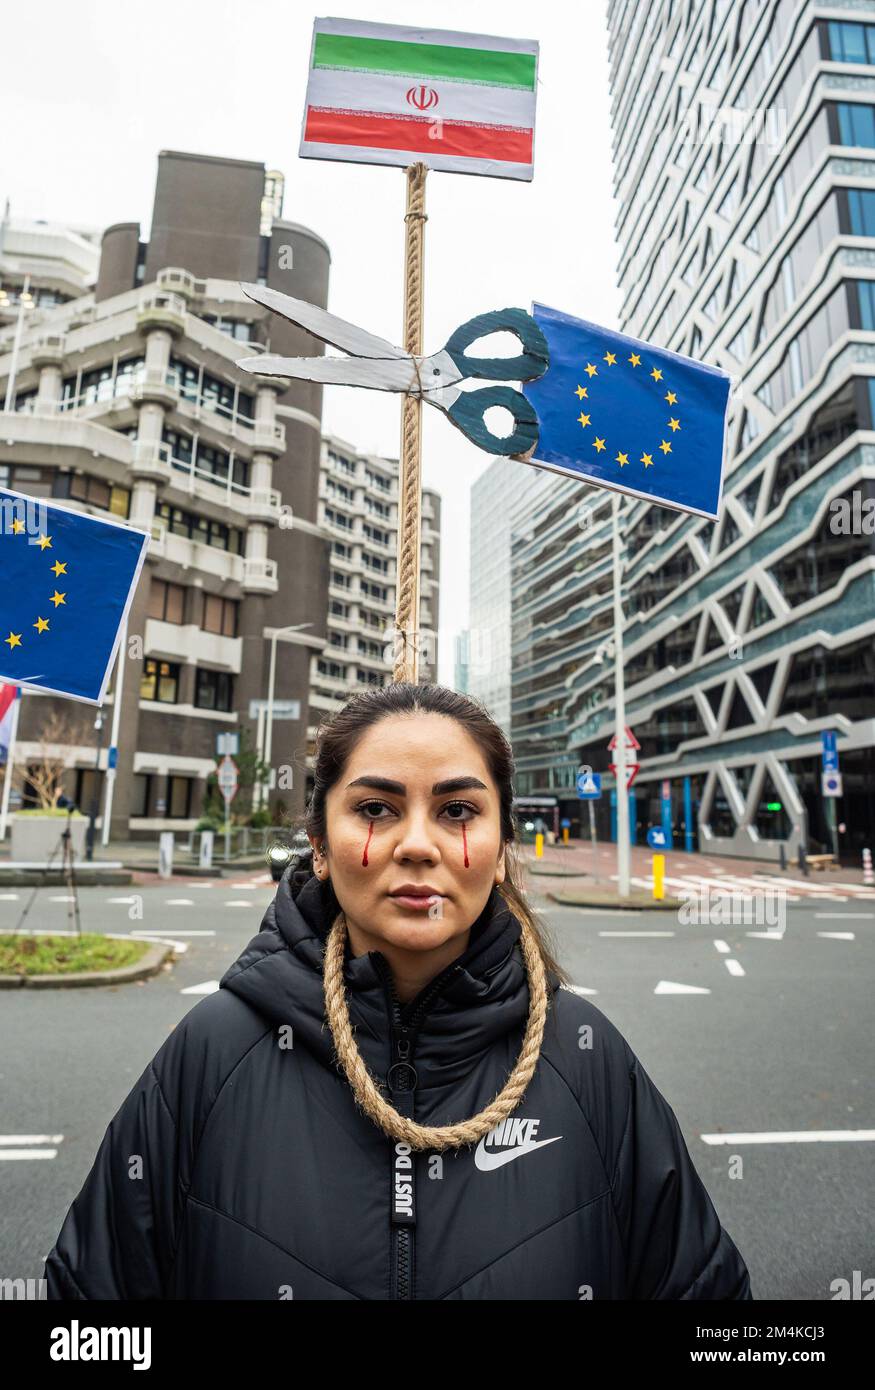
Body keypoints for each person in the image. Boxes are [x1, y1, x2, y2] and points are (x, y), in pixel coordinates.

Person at [44, 682, 752, 1300]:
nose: (417, 843)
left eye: (456, 812)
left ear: (503, 843)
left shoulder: (589, 1061)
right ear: (319, 845)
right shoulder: (210, 1051)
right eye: (376, 809)